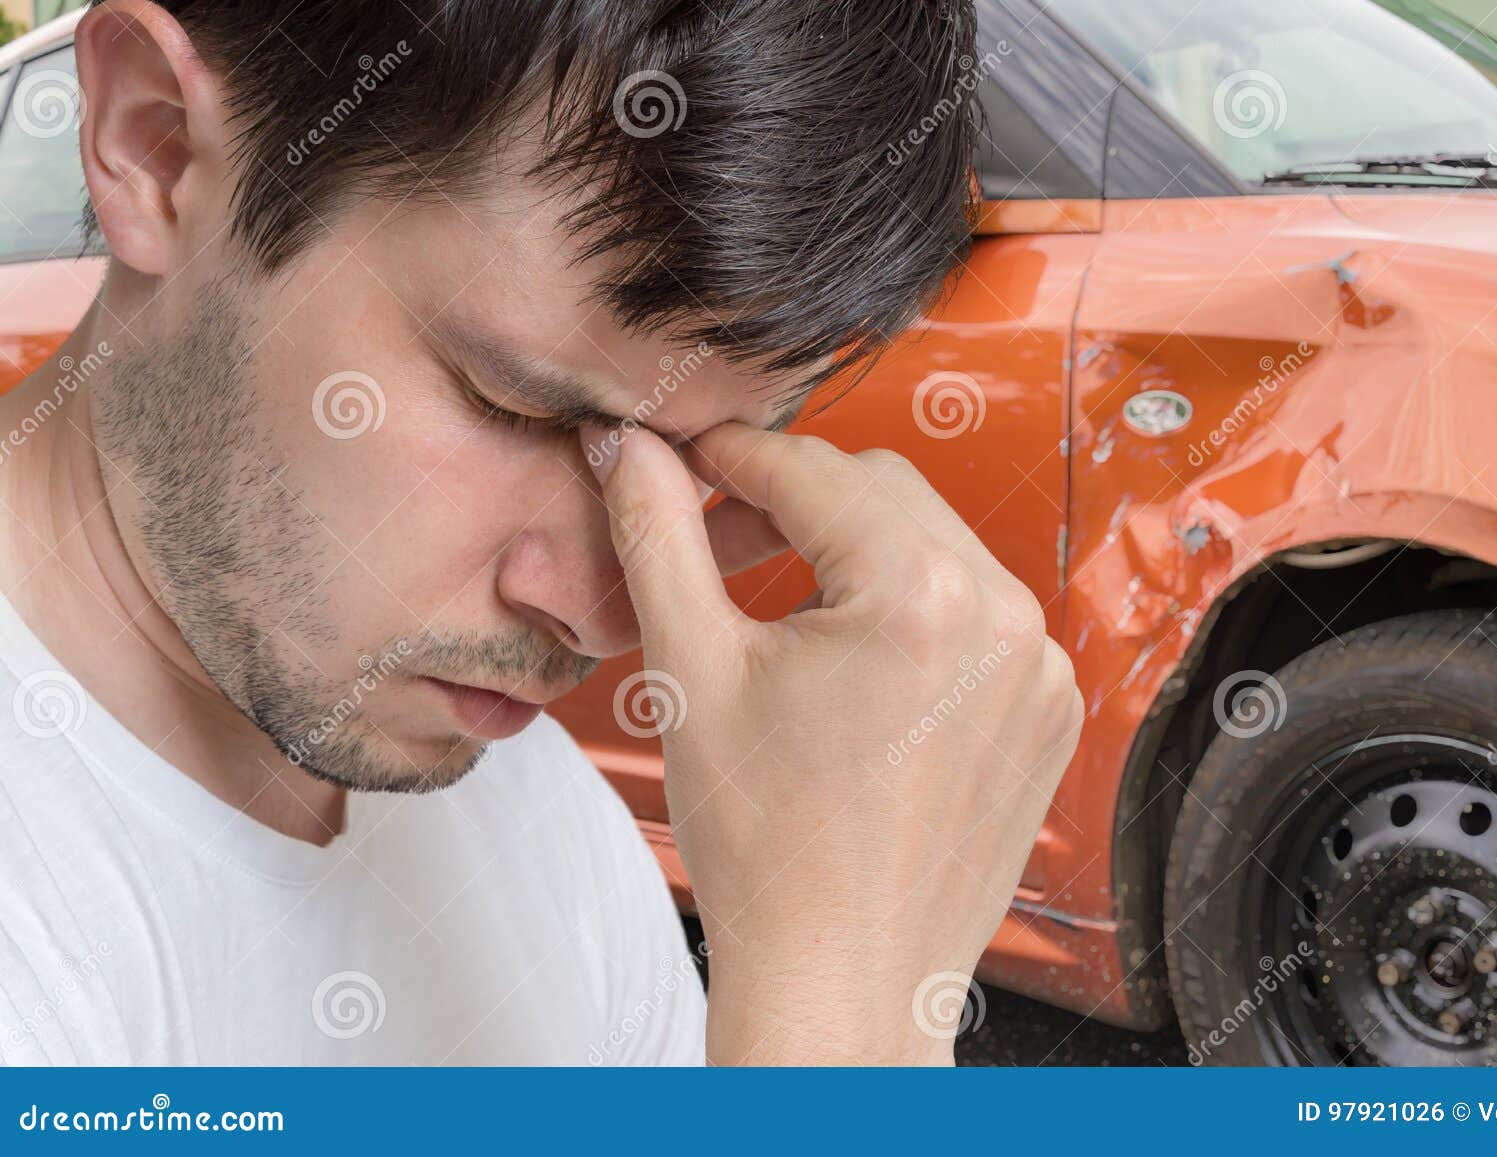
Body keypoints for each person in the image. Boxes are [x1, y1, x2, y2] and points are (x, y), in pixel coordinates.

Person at [0, 0, 1082, 1065]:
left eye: (698, 463)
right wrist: (845, 1020)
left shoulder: (540, 815)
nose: (608, 616)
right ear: (155, 142)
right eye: (514, 407)